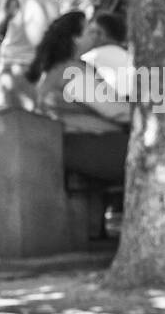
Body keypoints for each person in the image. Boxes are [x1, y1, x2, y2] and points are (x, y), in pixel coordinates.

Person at [30, 11, 132, 184]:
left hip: (82, 143)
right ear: (75, 39)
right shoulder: (70, 72)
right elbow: (117, 111)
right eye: (89, 31)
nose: (95, 36)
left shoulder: (58, 69)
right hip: (84, 145)